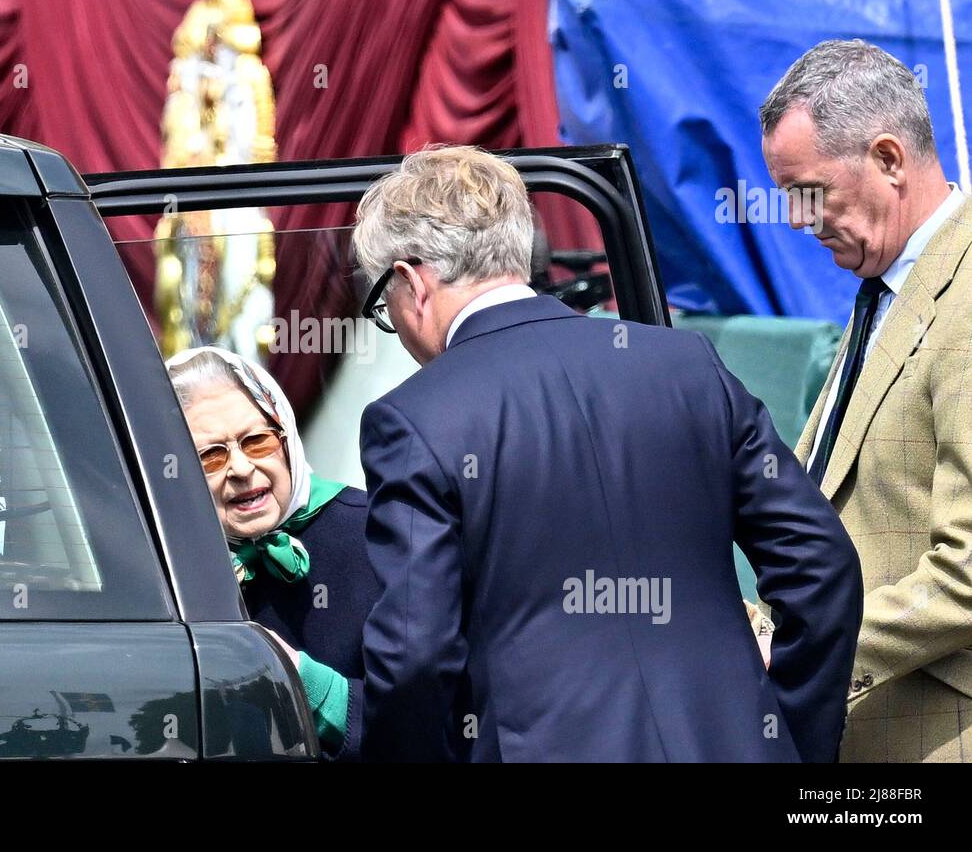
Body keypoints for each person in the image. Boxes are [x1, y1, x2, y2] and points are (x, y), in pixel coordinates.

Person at [352, 145, 863, 762]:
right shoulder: (685, 365)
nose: (397, 324)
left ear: (411, 281)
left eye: (384, 307)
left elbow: (413, 655)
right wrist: (791, 739)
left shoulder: (414, 420)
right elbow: (821, 565)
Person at [762, 39, 972, 762]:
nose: (796, 219)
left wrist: (802, 644)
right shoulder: (887, 285)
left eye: (810, 192)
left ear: (888, 158)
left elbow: (970, 571)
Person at [165, 346, 378, 761]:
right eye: (211, 455)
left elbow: (431, 714)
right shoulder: (169, 561)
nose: (242, 468)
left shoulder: (374, 533)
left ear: (286, 438)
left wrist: (307, 686)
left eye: (257, 441)